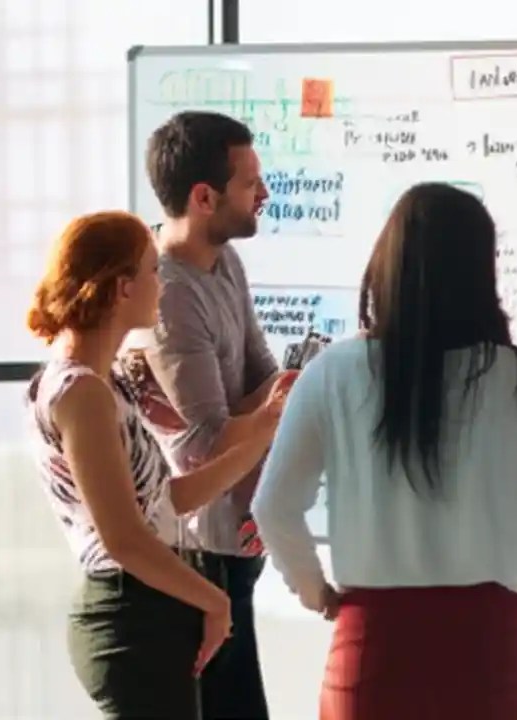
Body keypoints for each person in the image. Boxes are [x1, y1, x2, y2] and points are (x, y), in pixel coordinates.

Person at [251, 182, 517, 720]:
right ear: (482, 270)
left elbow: (273, 506)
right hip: (502, 652)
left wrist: (319, 595)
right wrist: (513, 593)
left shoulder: (332, 373)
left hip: (375, 649)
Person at [23, 211, 288, 718]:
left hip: (147, 609)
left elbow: (167, 499)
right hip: (131, 616)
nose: (161, 285)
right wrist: (214, 599)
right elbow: (124, 538)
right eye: (151, 271)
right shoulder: (82, 394)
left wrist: (264, 429)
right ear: (122, 288)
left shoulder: (102, 384)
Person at [138, 110, 293, 719]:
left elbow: (262, 377)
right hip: (204, 549)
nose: (264, 193)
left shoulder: (226, 262)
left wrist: (274, 398)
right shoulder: (166, 294)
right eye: (250, 183)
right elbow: (206, 444)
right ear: (204, 198)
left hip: (243, 529)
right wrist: (276, 402)